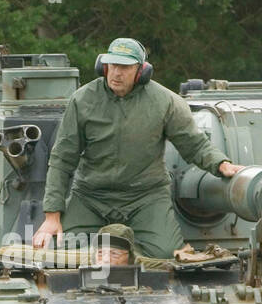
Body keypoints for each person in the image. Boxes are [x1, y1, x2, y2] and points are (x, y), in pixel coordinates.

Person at [32, 37, 243, 258]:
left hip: (145, 196)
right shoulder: (83, 100)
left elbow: (194, 144)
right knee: (65, 251)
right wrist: (52, 217)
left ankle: (123, 256)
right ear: (103, 66)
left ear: (141, 71)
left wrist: (221, 164)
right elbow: (62, 158)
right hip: (91, 195)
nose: (116, 73)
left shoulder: (165, 102)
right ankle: (113, 257)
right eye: (112, 65)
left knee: (165, 253)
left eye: (124, 67)